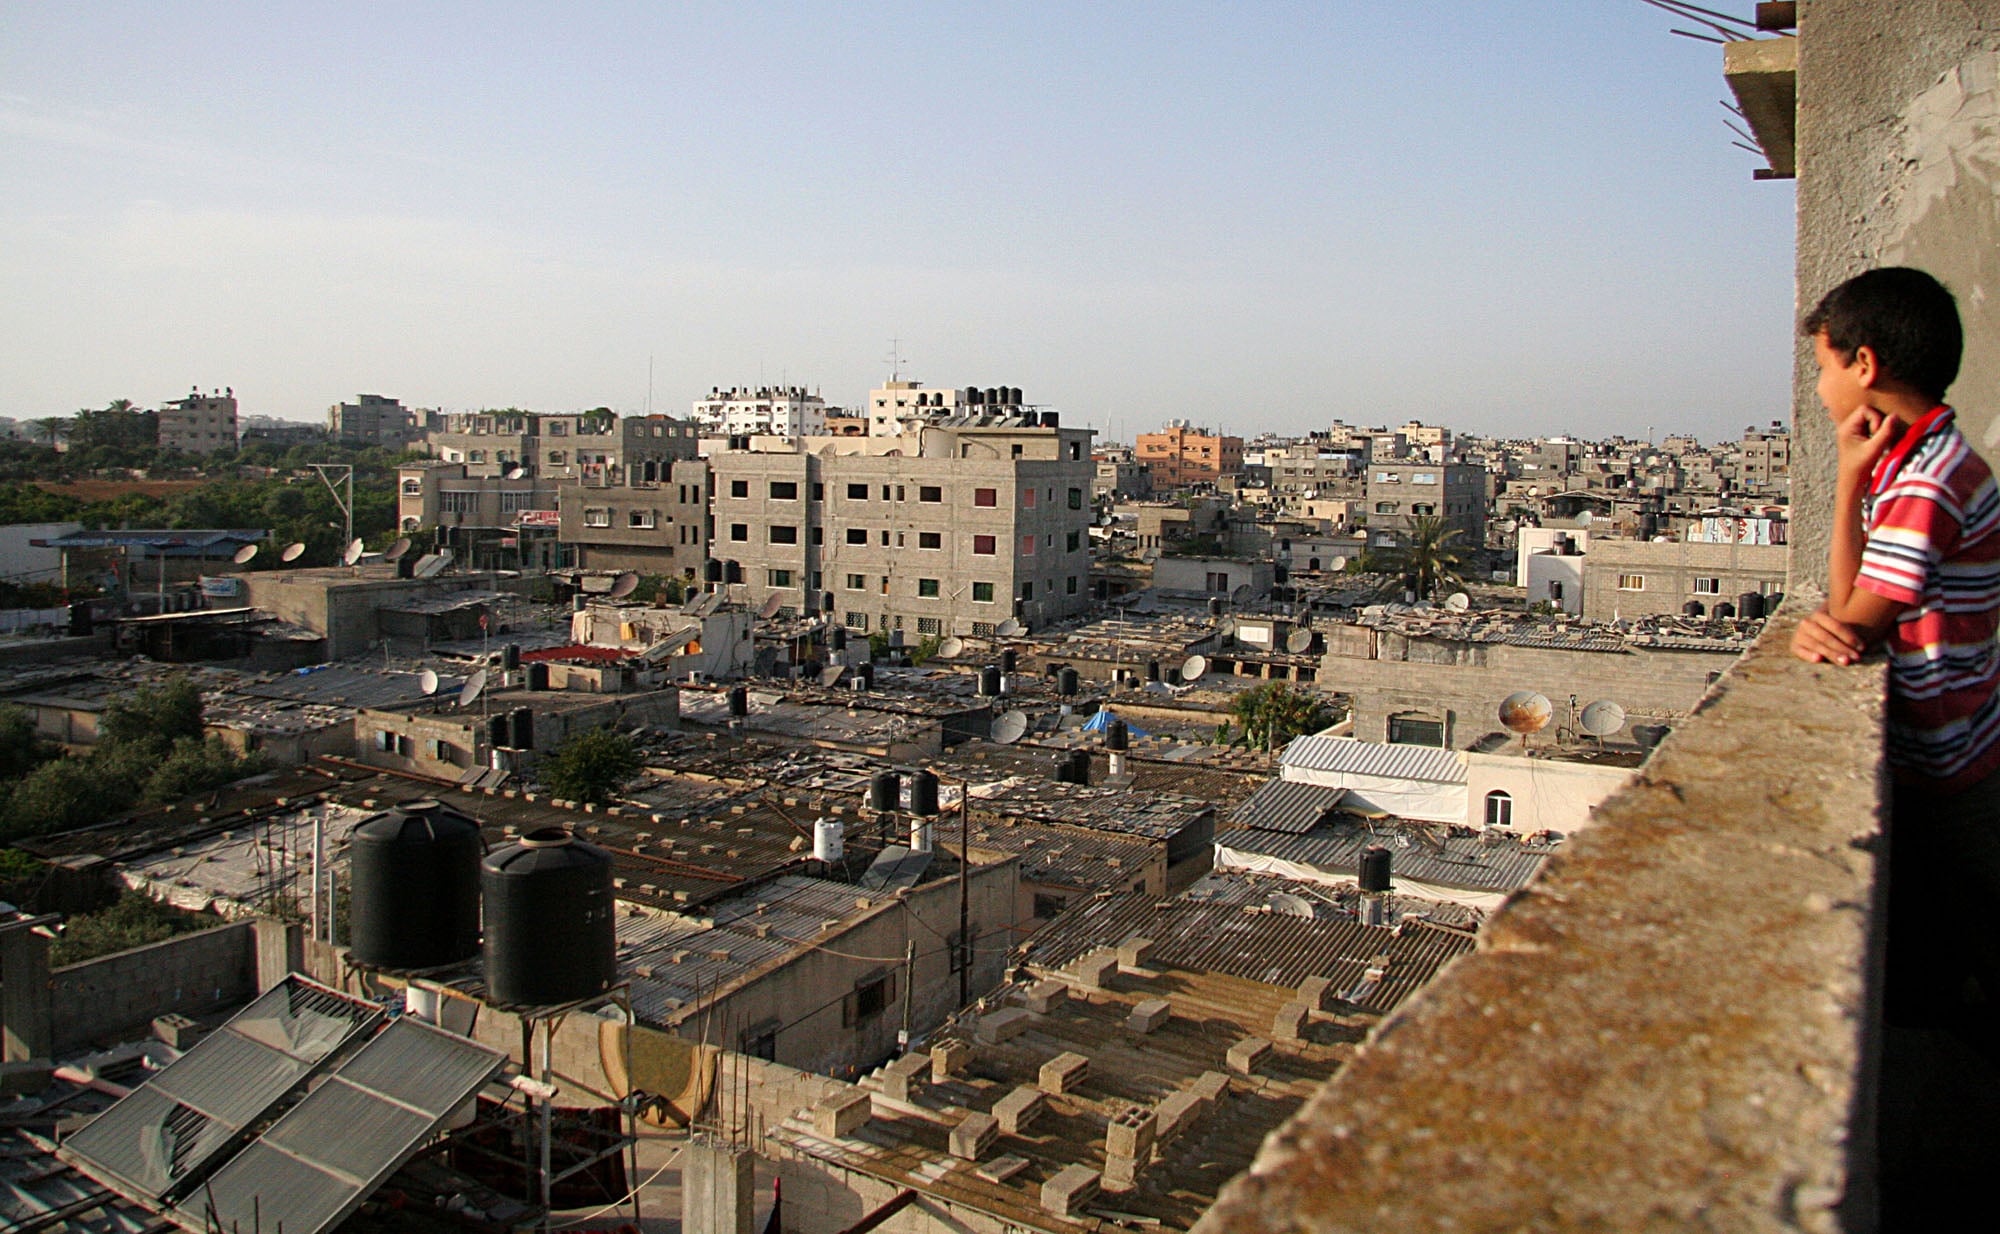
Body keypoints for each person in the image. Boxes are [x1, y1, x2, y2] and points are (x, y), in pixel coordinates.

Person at [1790, 266, 2000, 1024]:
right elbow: (1852, 604)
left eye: (1824, 368)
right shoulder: (1920, 462)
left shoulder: (1930, 480)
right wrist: (1851, 475)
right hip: (1950, 756)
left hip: (1956, 772)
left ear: (1865, 365)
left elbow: (1849, 619)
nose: (1819, 389)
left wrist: (1833, 621)